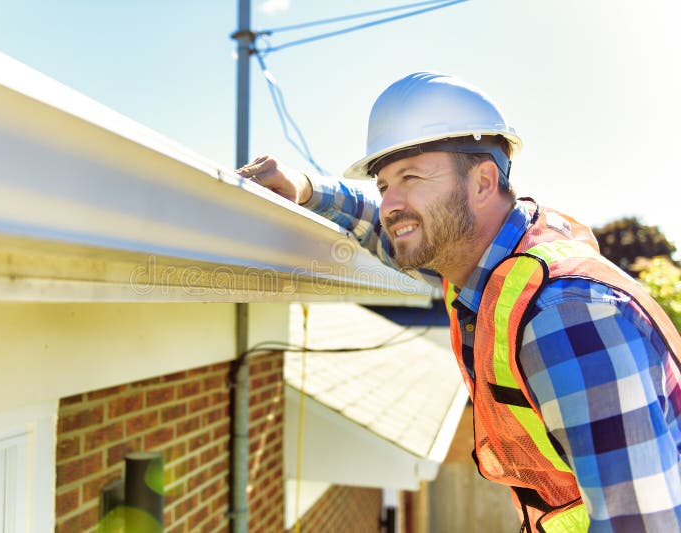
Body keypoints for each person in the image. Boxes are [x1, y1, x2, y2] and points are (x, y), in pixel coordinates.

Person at [237, 72, 681, 532]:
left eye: (410, 177)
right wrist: (305, 188)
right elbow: (384, 224)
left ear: (484, 183)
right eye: (385, 184)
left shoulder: (563, 315)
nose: (390, 203)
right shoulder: (477, 260)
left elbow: (644, 524)